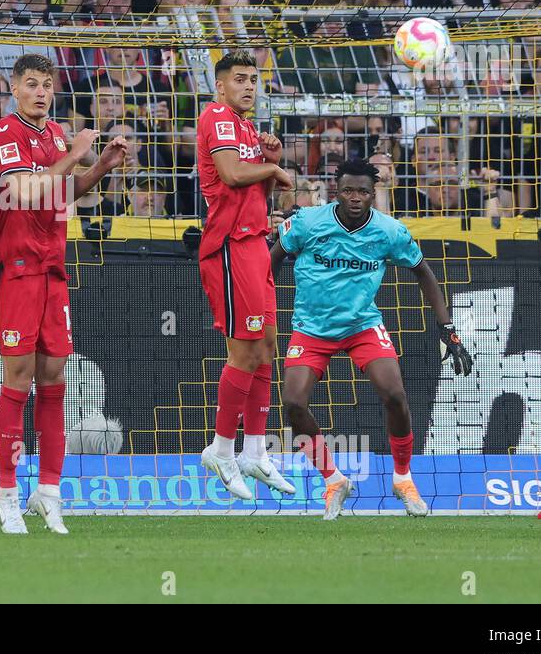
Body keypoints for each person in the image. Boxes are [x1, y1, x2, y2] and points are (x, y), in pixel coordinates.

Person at [270, 158, 474, 519]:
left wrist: (447, 329)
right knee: (293, 405)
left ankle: (403, 479)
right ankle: (334, 479)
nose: (355, 197)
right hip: (311, 328)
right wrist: (260, 309)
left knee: (395, 395)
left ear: (372, 193)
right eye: (347, 190)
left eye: (363, 191)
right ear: (336, 190)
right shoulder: (307, 222)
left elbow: (424, 273)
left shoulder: (389, 231)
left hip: (363, 325)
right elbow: (273, 259)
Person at [0, 54, 128, 534]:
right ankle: (6, 491)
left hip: (52, 268)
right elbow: (25, 192)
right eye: (32, 84)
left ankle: (48, 491)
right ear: (14, 88)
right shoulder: (6, 132)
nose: (42, 92)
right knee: (19, 377)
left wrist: (102, 165)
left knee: (54, 378)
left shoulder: (53, 135)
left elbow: (61, 193)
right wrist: (76, 151)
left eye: (47, 84)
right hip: (17, 268)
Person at [195, 50, 296, 501]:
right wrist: (272, 165)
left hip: (256, 242)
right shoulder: (216, 115)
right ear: (220, 86)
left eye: (254, 79)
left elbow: (259, 191)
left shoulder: (248, 129)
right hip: (230, 246)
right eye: (240, 79)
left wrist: (270, 161)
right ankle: (221, 449)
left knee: (268, 345)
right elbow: (232, 173)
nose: (249, 86)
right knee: (243, 350)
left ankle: (255, 451)